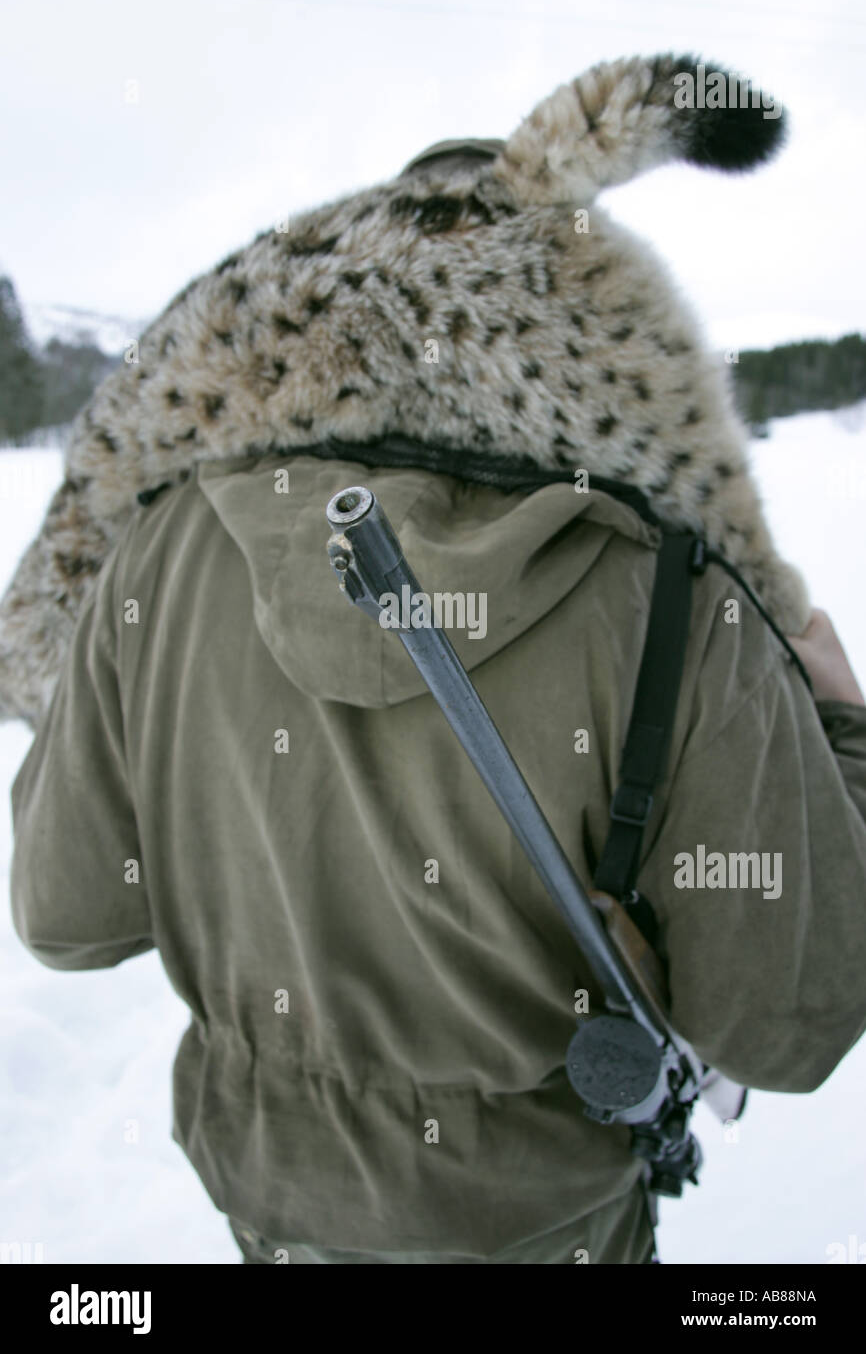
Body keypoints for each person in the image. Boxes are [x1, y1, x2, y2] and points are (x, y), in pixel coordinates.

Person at [9, 447, 866, 1264]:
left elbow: (66, 914)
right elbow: (787, 1021)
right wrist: (846, 743)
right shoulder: (671, 579)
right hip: (559, 1220)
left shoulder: (160, 545)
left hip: (271, 1208)